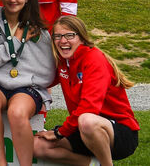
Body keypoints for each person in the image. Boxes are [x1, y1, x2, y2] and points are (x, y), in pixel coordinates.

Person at [34, 16, 140, 165]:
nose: (63, 41)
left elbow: (89, 108)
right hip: (84, 129)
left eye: (69, 35)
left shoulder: (94, 59)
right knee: (38, 146)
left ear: (82, 38)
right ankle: (92, 163)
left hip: (120, 132)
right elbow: (42, 80)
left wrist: (60, 132)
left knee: (87, 120)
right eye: (57, 36)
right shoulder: (63, 61)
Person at [0, 0, 55, 166]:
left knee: (17, 112)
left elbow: (48, 71)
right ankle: (2, 163)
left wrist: (25, 78)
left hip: (27, 86)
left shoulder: (38, 27)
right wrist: (18, 39)